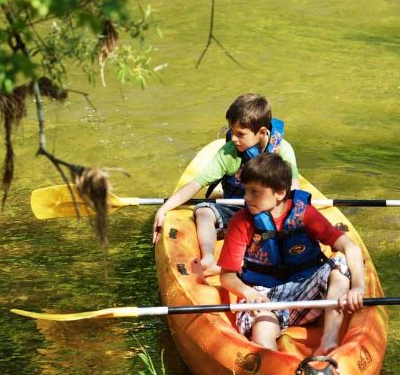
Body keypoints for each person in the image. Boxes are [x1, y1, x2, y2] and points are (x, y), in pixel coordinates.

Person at [217, 153, 365, 354]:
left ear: (279, 192)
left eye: (254, 192)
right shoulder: (241, 222)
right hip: (263, 295)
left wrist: (358, 287)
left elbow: (351, 247)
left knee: (340, 262)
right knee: (263, 324)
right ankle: (270, 365)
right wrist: (248, 293)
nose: (246, 198)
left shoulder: (305, 214)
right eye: (246, 191)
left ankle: (328, 341)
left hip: (304, 289)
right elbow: (226, 276)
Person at [152, 94, 299, 276]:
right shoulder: (229, 153)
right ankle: (208, 257)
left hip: (270, 213)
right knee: (203, 211)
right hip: (236, 209)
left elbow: (294, 190)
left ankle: (256, 260)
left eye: (240, 134)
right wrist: (164, 208)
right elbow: (196, 184)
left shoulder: (283, 150)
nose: (234, 139)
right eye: (232, 131)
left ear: (261, 132)